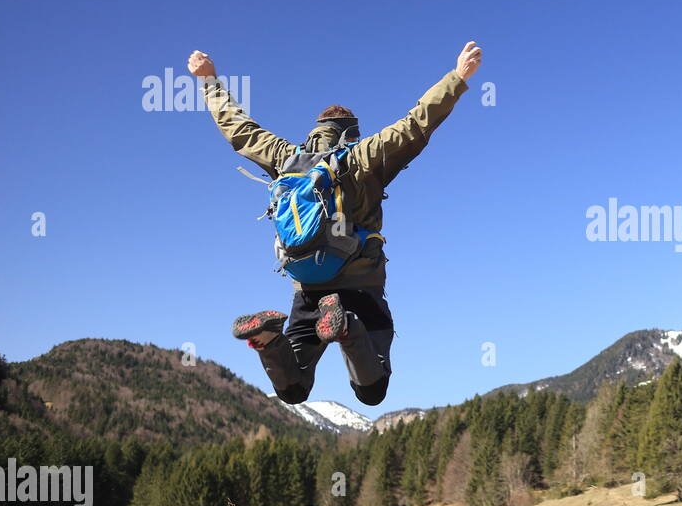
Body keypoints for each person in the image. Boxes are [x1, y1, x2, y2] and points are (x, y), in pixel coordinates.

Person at [187, 41, 482, 406]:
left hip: (307, 290)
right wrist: (457, 77)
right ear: (352, 132)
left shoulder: (286, 158)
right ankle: (348, 329)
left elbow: (240, 129)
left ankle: (269, 340)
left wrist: (208, 81)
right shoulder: (363, 156)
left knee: (293, 391)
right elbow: (416, 123)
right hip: (362, 286)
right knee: (371, 391)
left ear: (317, 130)